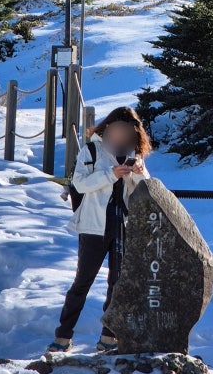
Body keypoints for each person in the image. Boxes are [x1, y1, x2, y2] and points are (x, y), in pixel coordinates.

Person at [46, 106, 152, 356]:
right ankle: (63, 335)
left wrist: (139, 173)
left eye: (127, 132)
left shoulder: (134, 155)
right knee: (83, 282)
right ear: (108, 128)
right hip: (93, 226)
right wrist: (111, 174)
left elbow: (146, 190)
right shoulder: (92, 150)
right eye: (117, 130)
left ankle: (109, 336)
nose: (121, 136)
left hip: (123, 226)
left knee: (118, 283)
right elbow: (81, 184)